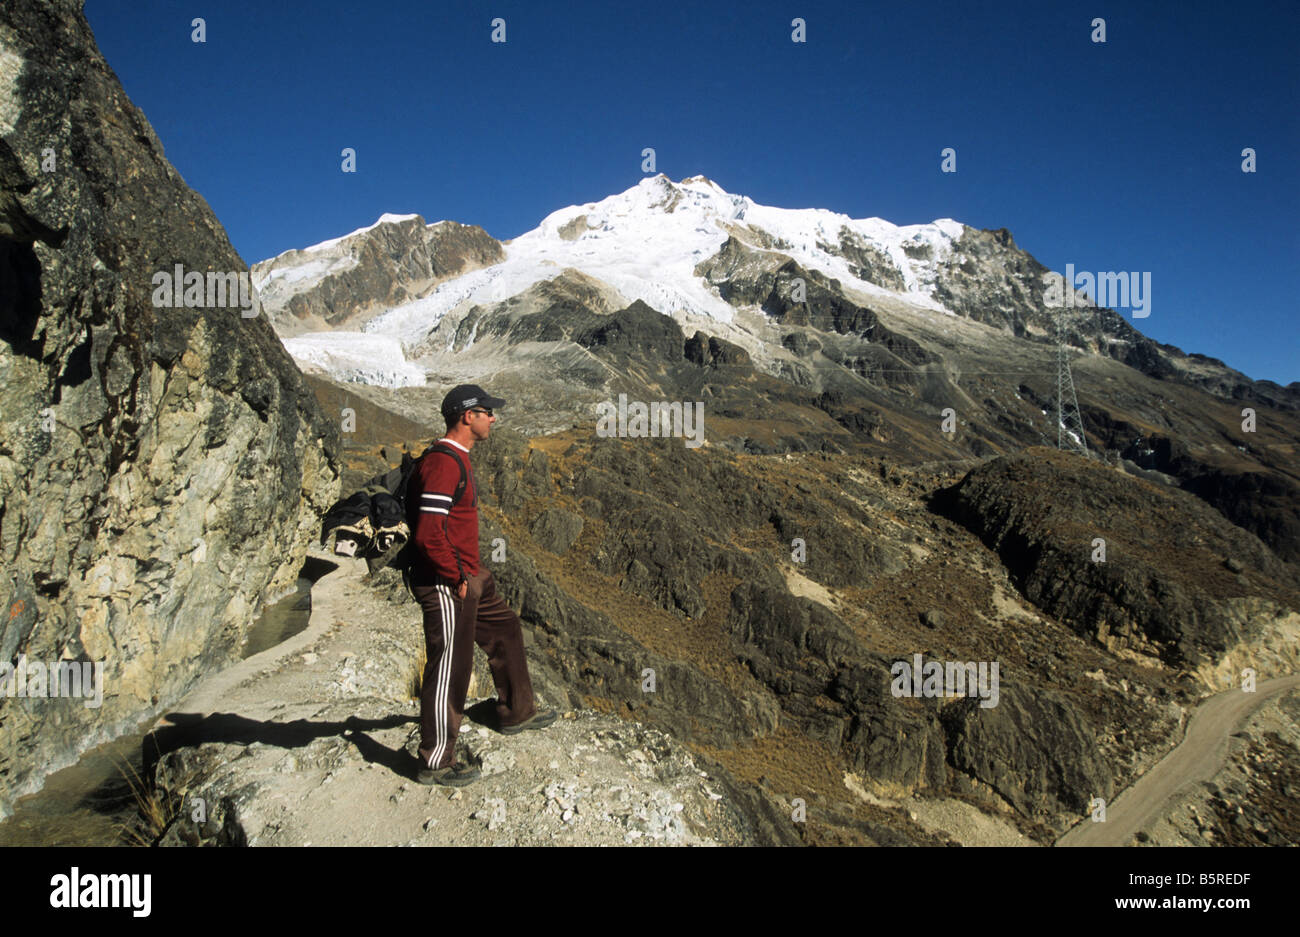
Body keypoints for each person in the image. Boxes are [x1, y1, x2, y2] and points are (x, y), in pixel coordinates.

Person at [406, 384, 556, 785]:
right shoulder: (443, 464)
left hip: (469, 576)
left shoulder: (458, 459)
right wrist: (456, 576)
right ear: (466, 416)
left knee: (505, 627)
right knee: (451, 663)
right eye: (488, 411)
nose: (494, 418)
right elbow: (427, 534)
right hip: (447, 581)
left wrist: (471, 574)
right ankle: (436, 759)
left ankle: (517, 711)